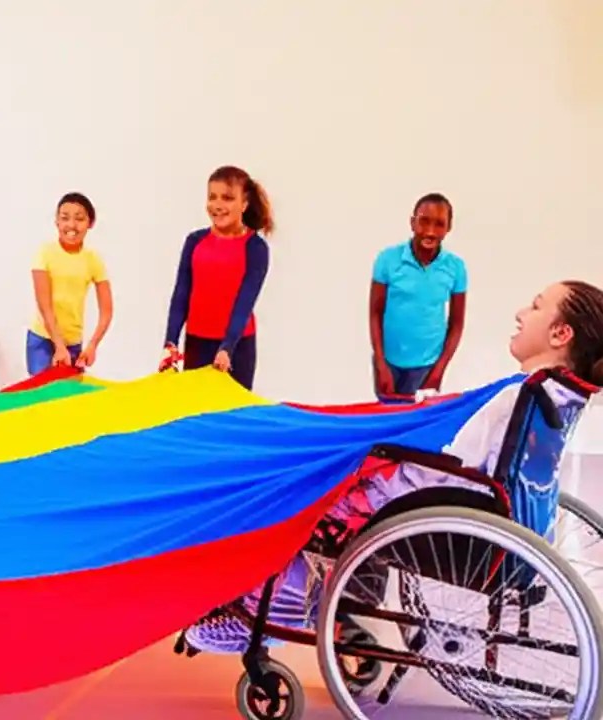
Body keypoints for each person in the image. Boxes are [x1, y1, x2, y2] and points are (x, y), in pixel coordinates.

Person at [181, 279, 603, 656]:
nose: (520, 314)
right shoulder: (549, 396)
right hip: (491, 516)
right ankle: (310, 600)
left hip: (437, 505)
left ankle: (273, 604)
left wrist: (379, 448)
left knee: (306, 484)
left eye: (534, 306)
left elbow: (452, 465)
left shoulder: (522, 396)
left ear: (559, 333)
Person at [161, 166, 272, 390]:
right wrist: (170, 342)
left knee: (232, 418)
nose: (218, 205)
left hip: (236, 347)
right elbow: (181, 295)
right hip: (197, 342)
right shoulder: (195, 241)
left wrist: (227, 347)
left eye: (228, 198)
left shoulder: (255, 247)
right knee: (197, 414)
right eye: (212, 197)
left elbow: (245, 302)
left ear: (244, 203)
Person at [369, 193, 467, 401]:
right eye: (424, 221)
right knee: (388, 418)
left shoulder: (455, 268)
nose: (430, 231)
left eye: (439, 224)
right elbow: (375, 313)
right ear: (412, 222)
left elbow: (456, 323)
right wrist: (380, 362)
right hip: (388, 363)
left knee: (416, 422)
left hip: (427, 367)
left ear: (449, 227)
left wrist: (439, 370)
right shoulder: (387, 260)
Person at [26, 192, 113, 375]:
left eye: (79, 219)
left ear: (90, 223)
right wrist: (58, 345)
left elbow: (106, 311)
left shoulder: (93, 260)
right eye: (65, 218)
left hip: (73, 343)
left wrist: (92, 345)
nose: (71, 225)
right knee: (43, 398)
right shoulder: (45, 253)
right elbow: (45, 306)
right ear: (57, 221)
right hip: (42, 339)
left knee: (70, 400)